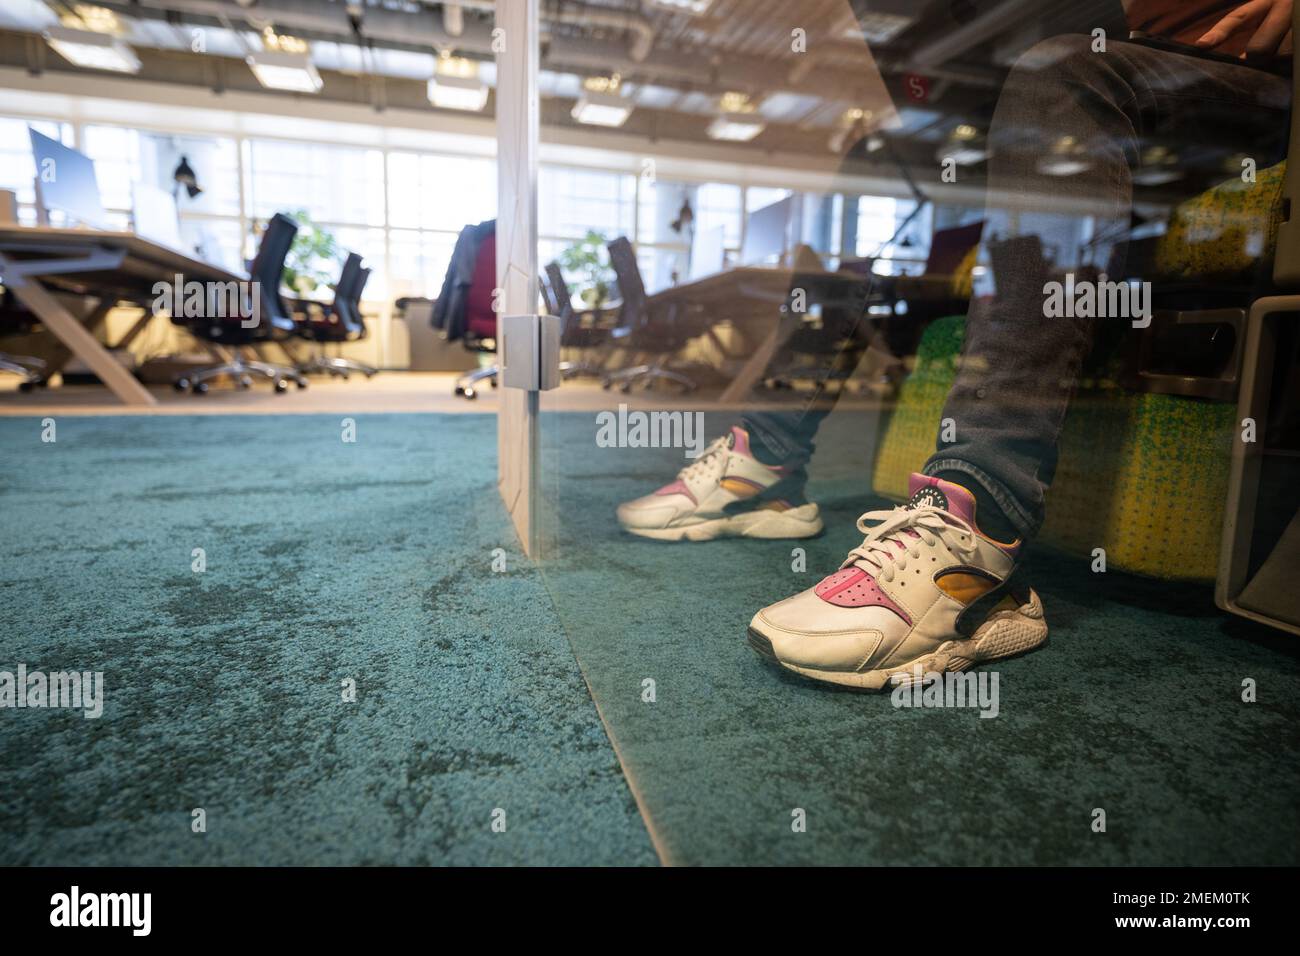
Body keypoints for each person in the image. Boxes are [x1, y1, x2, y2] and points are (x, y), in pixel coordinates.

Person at [614, 0, 1293, 688]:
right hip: (1127, 59)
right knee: (879, 149)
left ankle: (982, 517)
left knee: (1061, 72)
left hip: (1249, 80)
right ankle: (767, 459)